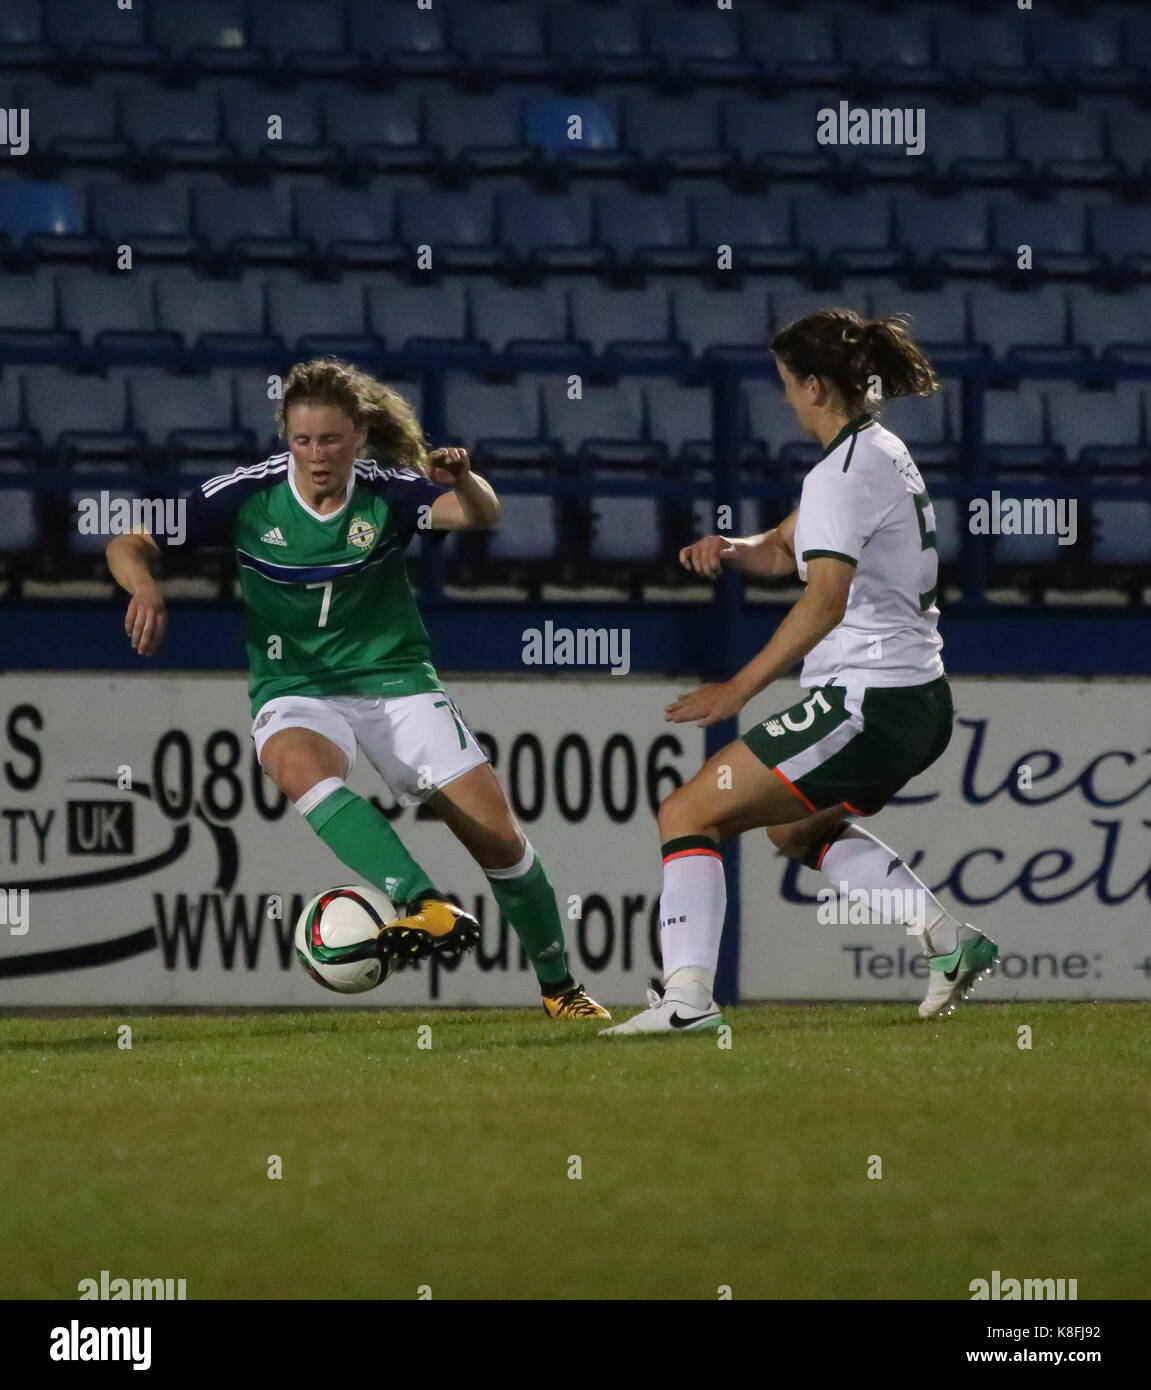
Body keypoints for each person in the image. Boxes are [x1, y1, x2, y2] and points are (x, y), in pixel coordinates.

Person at [107, 357, 608, 1021]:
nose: (316, 456)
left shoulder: (388, 492)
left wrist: (464, 480)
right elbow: (127, 540)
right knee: (294, 766)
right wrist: (144, 586)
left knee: (500, 844)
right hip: (295, 684)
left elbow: (476, 515)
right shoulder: (244, 495)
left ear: (361, 434)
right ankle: (424, 905)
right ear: (286, 438)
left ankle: (559, 988)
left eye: (331, 440)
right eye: (302, 441)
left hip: (394, 681)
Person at [601, 309, 997, 1036]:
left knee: (686, 813)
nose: (783, 399)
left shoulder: (839, 475)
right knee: (791, 833)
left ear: (814, 386)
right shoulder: (876, 452)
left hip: (866, 701)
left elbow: (822, 598)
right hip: (914, 701)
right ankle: (948, 940)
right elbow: (785, 549)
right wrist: (733, 545)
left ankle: (686, 1000)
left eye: (787, 385)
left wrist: (737, 689)